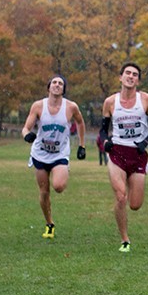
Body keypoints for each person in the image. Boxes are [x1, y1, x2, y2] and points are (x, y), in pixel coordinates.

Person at [101, 62, 148, 253]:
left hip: (138, 155)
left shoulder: (146, 99)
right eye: (127, 73)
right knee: (120, 197)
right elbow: (102, 131)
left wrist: (145, 142)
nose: (131, 76)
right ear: (120, 77)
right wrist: (106, 142)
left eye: (135, 74)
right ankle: (125, 239)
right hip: (117, 153)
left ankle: (129, 186)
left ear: (138, 80)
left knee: (135, 205)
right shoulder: (110, 102)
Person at [21, 75, 87, 239]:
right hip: (41, 153)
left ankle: (61, 173)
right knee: (44, 192)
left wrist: (82, 145)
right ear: (49, 87)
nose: (57, 85)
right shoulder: (38, 106)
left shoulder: (71, 107)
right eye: (54, 83)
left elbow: (80, 122)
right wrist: (27, 135)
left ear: (64, 89)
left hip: (59, 153)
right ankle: (49, 223)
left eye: (61, 83)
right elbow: (26, 127)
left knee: (58, 186)